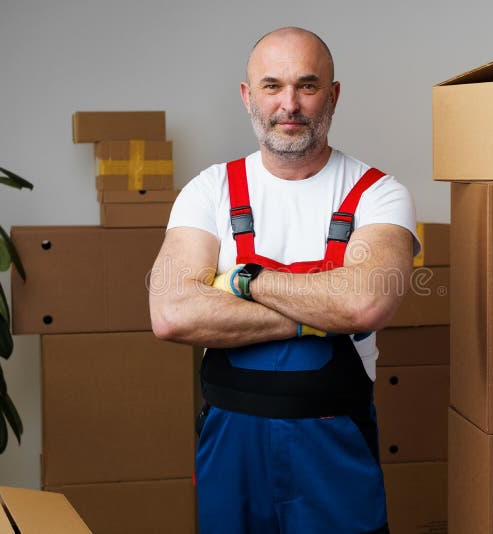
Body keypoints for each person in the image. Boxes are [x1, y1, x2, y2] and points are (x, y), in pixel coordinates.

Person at [149, 26, 420, 533]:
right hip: (232, 449)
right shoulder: (209, 191)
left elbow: (364, 304)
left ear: (333, 96)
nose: (289, 104)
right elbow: (170, 313)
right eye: (272, 86)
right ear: (248, 97)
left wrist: (243, 280)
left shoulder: (379, 194)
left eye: (308, 85)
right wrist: (317, 315)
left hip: (333, 445)